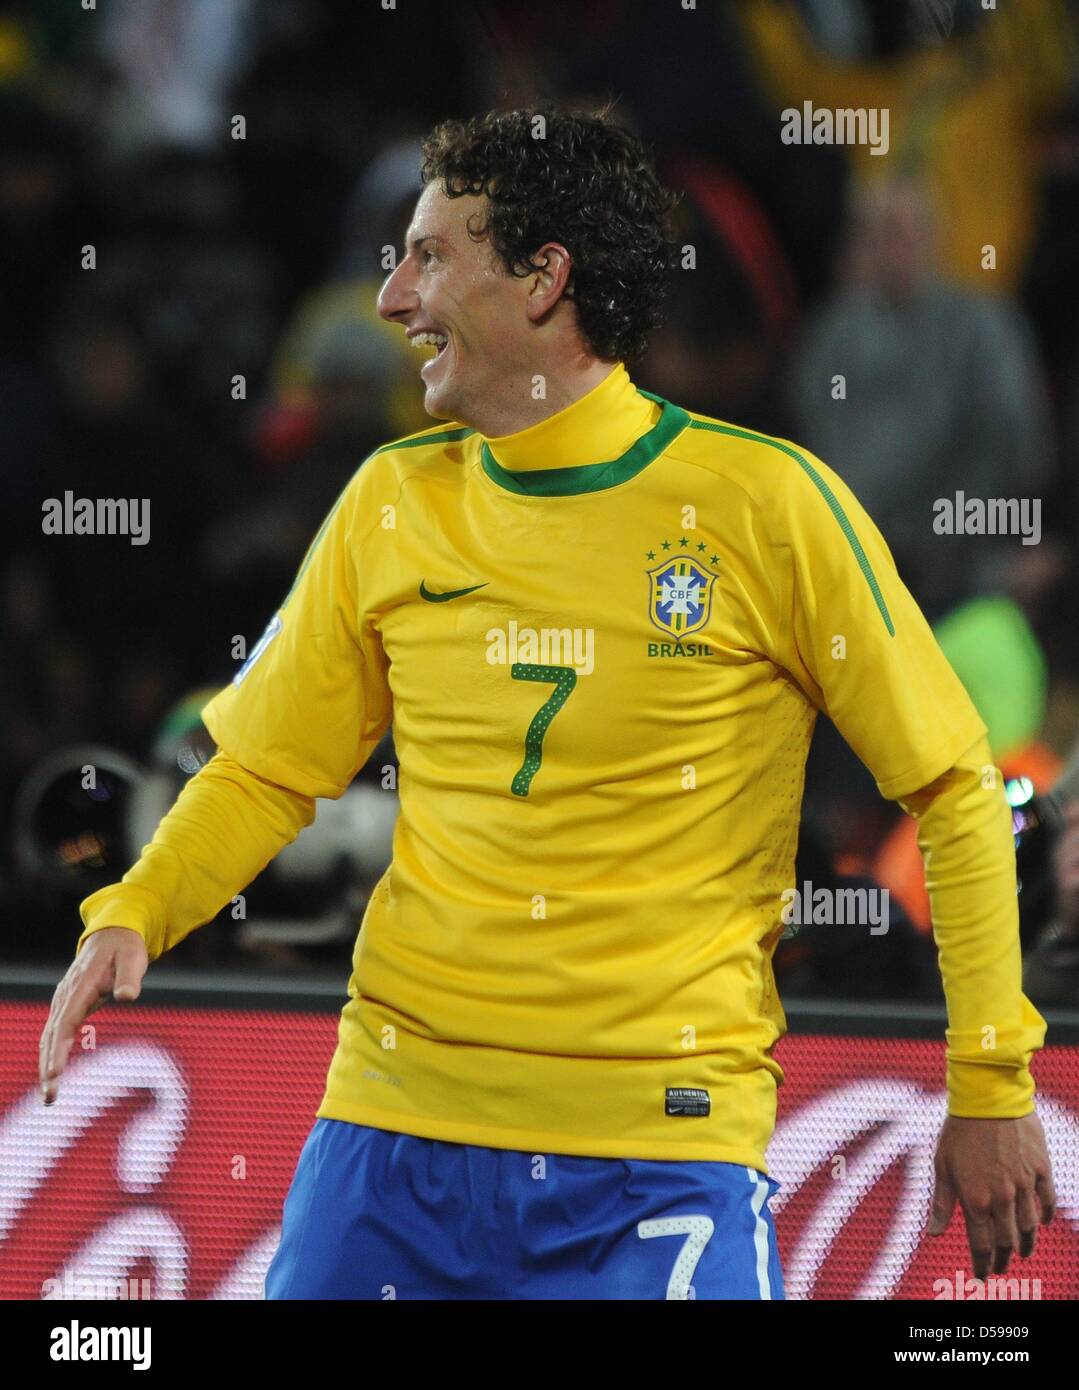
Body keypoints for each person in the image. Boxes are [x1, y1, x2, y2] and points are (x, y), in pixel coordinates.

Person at [39, 106, 1055, 1301]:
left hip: (657, 1162)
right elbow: (267, 769)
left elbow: (951, 785)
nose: (389, 298)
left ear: (541, 280)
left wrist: (989, 1081)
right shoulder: (386, 502)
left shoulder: (764, 507)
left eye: (428, 256)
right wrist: (139, 907)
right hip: (388, 1141)